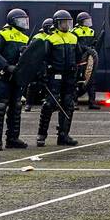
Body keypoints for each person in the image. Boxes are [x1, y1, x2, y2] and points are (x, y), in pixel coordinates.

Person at [0, 8, 31, 150]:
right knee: (0, 107)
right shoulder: (3, 34)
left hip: (18, 78)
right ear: (13, 21)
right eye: (21, 20)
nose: (24, 23)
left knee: (16, 107)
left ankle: (13, 138)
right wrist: (7, 67)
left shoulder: (25, 37)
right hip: (4, 76)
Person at [36, 10, 79, 147]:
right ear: (56, 24)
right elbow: (43, 59)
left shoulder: (74, 38)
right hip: (54, 75)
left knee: (68, 104)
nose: (66, 25)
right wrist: (43, 75)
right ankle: (41, 135)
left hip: (69, 76)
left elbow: (79, 56)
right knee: (49, 104)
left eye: (68, 22)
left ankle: (63, 135)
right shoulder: (50, 39)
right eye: (63, 23)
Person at [73, 11, 98, 108]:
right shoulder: (75, 31)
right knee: (76, 80)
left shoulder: (91, 31)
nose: (88, 22)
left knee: (91, 80)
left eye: (89, 20)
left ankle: (92, 102)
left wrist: (94, 47)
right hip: (79, 59)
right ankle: (74, 102)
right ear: (80, 21)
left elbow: (94, 42)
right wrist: (86, 48)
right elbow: (76, 45)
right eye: (86, 21)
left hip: (90, 58)